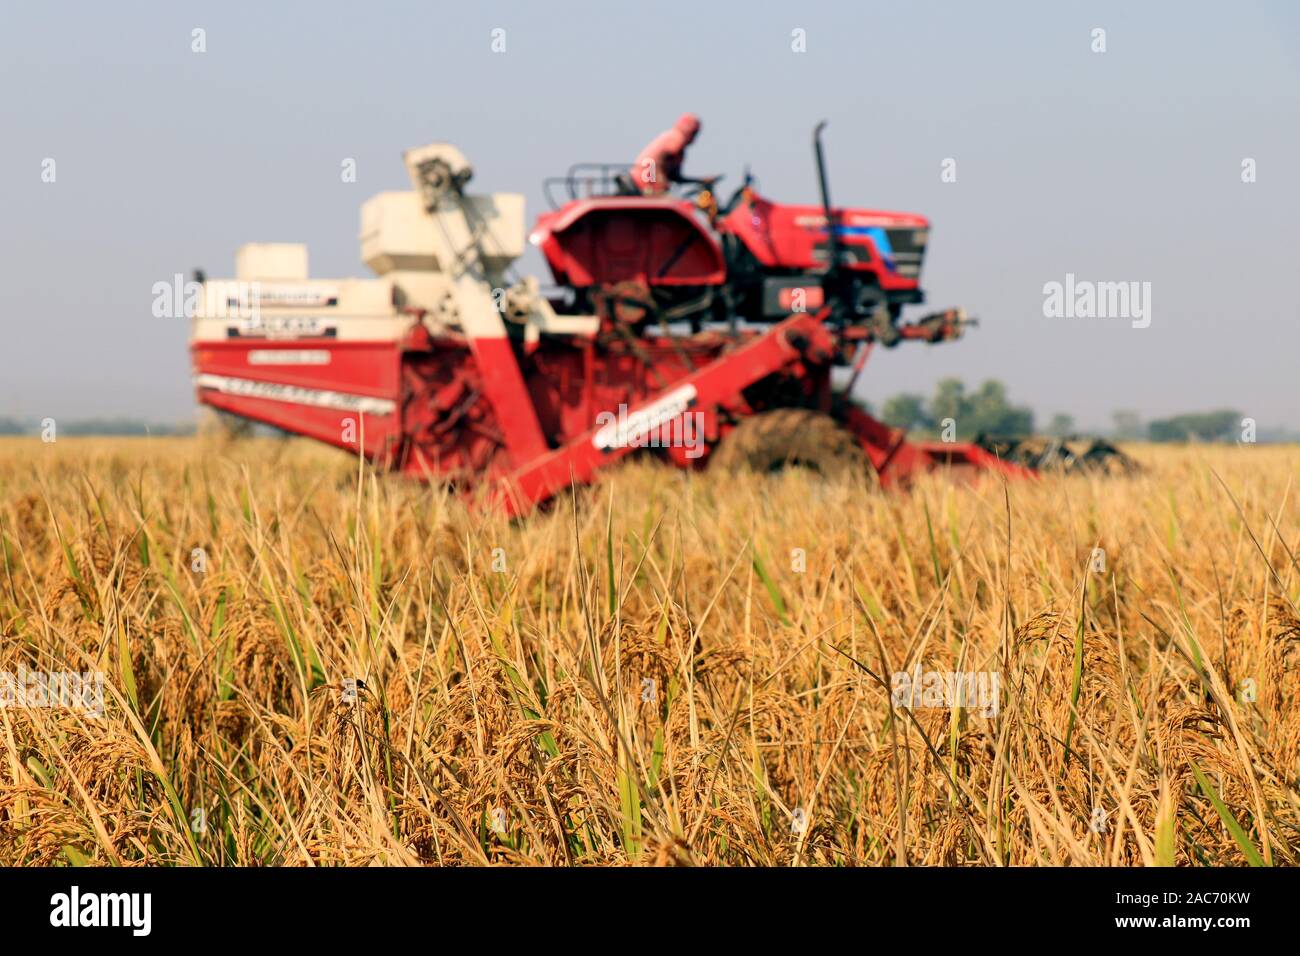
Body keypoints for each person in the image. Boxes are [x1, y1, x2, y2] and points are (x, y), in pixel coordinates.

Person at [630, 113, 702, 195]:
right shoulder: (677, 138)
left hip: (645, 181)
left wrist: (700, 180)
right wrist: (661, 180)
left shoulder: (673, 139)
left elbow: (675, 177)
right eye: (694, 133)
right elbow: (662, 160)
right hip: (645, 182)